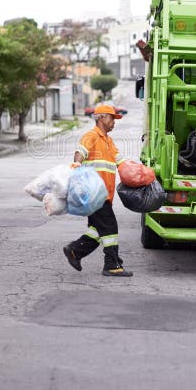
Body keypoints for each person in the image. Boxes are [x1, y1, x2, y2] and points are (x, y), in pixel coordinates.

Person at [63, 104, 133, 277]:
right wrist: (77, 163)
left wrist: (140, 174)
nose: (114, 122)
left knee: (97, 229)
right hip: (94, 193)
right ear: (101, 118)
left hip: (105, 195)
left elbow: (122, 163)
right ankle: (112, 264)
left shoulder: (109, 142)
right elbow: (80, 151)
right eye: (112, 118)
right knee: (109, 227)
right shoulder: (92, 136)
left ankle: (75, 251)